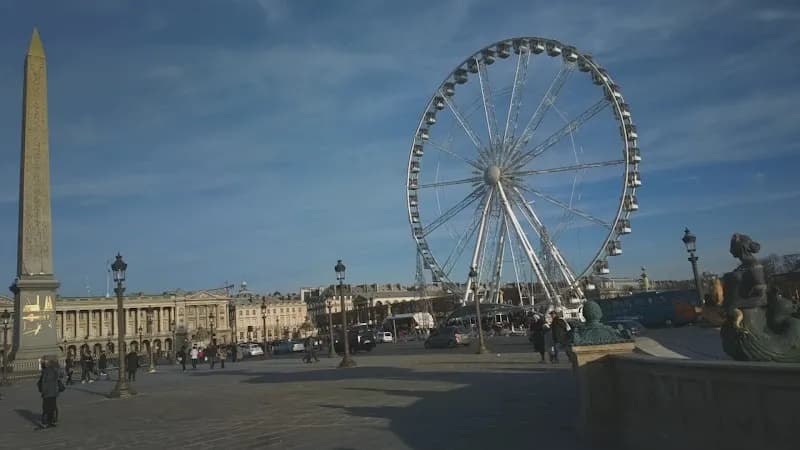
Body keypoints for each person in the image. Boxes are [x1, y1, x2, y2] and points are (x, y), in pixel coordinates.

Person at [37, 357, 65, 428]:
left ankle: (45, 422)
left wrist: (42, 390)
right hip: (53, 392)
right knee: (53, 407)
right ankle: (53, 421)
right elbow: (61, 375)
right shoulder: (55, 371)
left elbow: (42, 383)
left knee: (46, 408)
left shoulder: (45, 372)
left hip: (46, 392)